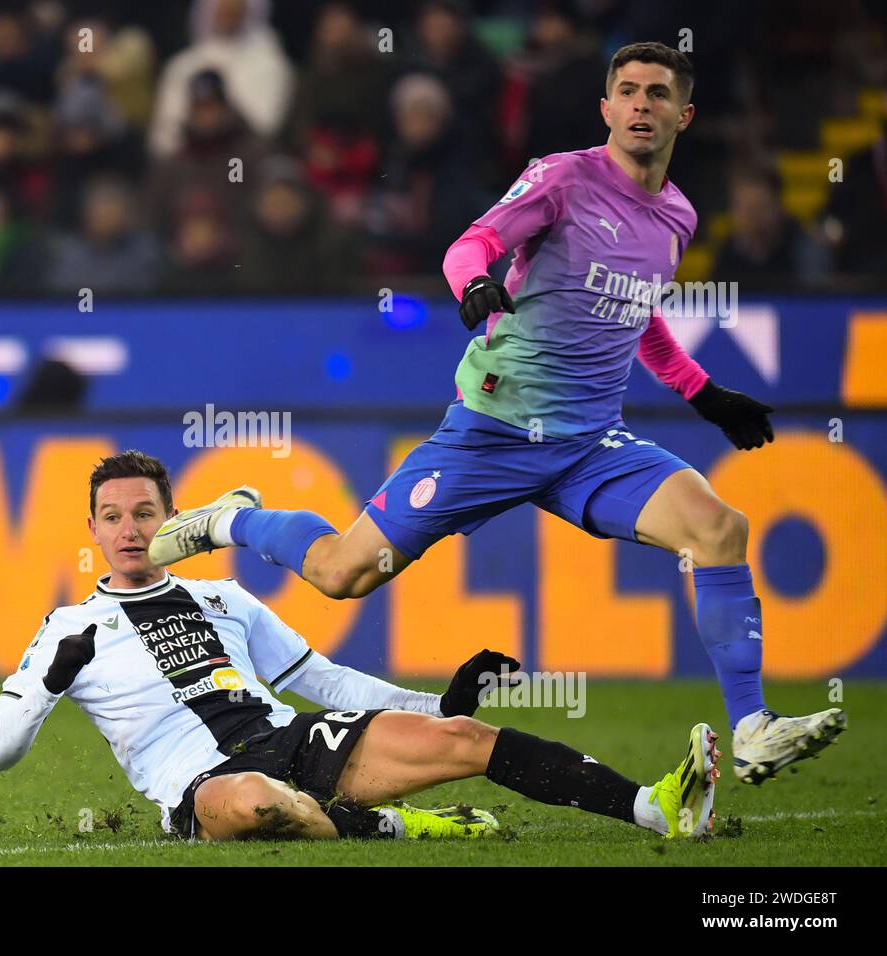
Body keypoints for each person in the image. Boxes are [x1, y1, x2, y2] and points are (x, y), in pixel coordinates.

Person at [149, 43, 847, 787]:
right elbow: (472, 244)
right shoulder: (564, 178)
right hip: (490, 433)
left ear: (685, 114)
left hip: (590, 446)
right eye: (629, 91)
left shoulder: (676, 216)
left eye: (659, 93)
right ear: (606, 108)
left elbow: (637, 315)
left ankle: (752, 729)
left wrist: (703, 392)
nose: (643, 104)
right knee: (341, 573)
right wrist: (474, 284)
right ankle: (231, 519)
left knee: (720, 528)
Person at [0, 451, 720, 842]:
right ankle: (398, 827)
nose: (130, 529)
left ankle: (656, 808)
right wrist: (51, 681)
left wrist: (437, 704)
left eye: (145, 513)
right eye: (113, 517)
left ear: (175, 518)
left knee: (464, 738)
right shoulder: (67, 629)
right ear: (93, 531)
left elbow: (326, 683)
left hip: (299, 743)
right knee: (256, 805)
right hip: (205, 787)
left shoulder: (223, 599)